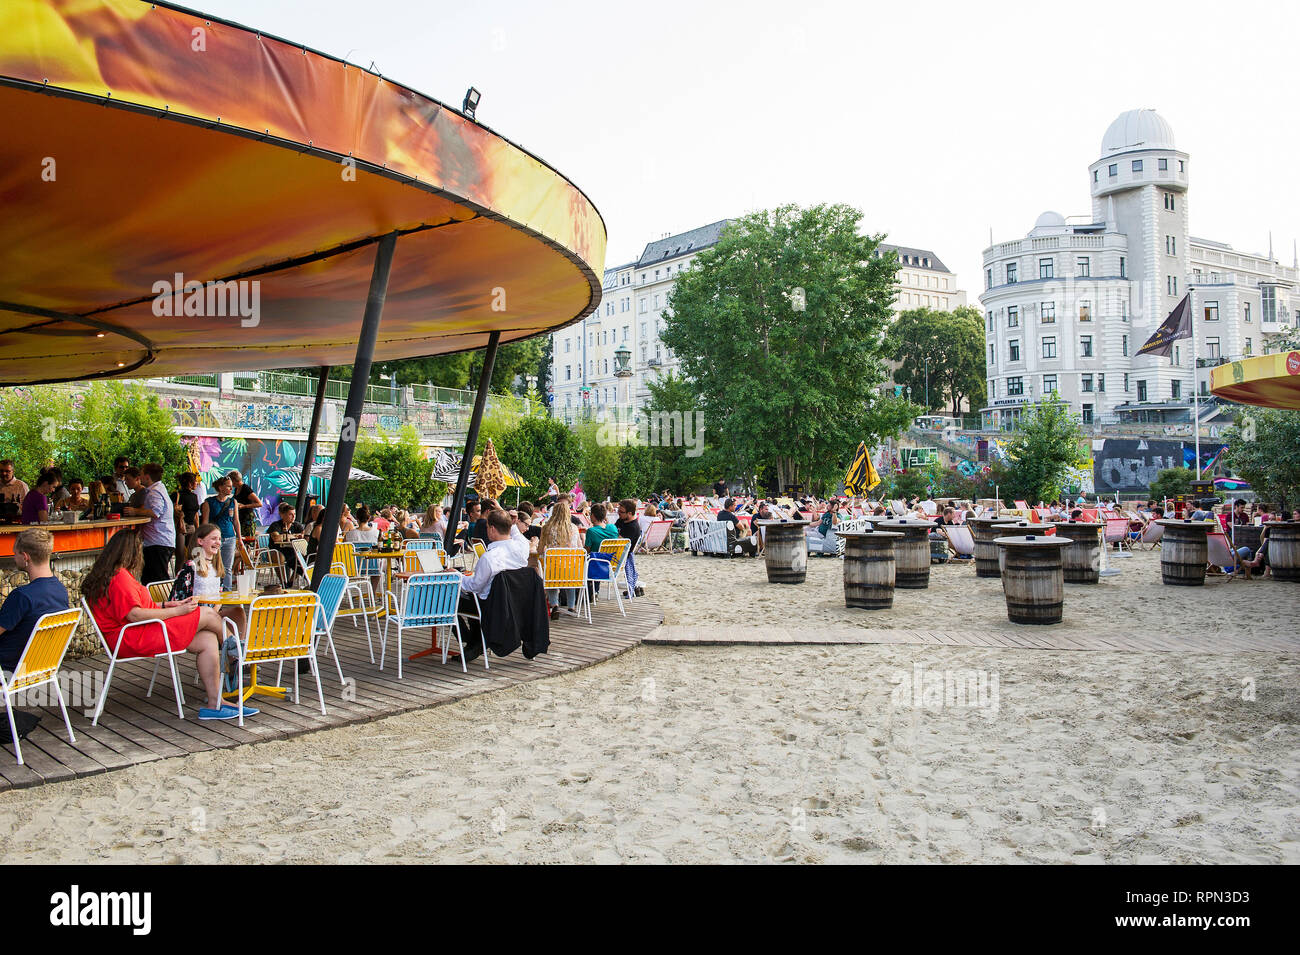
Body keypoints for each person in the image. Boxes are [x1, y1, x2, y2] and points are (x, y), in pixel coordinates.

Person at [85, 530, 251, 720]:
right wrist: (176, 611)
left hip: (140, 631)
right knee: (205, 613)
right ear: (130, 552)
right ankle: (237, 653)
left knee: (207, 639)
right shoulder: (120, 577)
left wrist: (166, 605)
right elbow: (135, 614)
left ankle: (216, 703)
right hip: (134, 636)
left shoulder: (113, 575)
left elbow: (133, 608)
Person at [0, 528, 70, 676]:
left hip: (9, 669)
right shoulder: (60, 590)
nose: (14, 558)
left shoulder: (22, 596)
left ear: (25, 557)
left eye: (15, 553)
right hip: (41, 667)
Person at [121, 464, 176, 586]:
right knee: (151, 578)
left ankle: (162, 604)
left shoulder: (154, 492)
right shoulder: (158, 488)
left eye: (141, 474)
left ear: (146, 477)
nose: (139, 477)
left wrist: (135, 511)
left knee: (157, 580)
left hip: (158, 540)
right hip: (159, 540)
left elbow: (155, 512)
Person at [538, 499, 581, 618]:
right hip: (571, 570)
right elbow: (579, 548)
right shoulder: (573, 528)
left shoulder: (546, 528)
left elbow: (540, 550)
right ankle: (571, 606)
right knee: (569, 575)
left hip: (553, 569)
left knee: (551, 572)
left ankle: (554, 605)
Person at [200, 475, 238, 590]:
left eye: (232, 487)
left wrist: (239, 538)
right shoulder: (209, 502)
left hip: (230, 537)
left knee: (227, 567)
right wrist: (203, 538)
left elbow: (236, 521)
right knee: (213, 565)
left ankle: (227, 591)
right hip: (214, 538)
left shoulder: (233, 502)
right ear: (221, 488)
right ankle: (213, 590)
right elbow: (205, 522)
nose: (231, 489)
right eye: (229, 487)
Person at [268, 502, 304, 584]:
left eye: (294, 514)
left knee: (301, 559)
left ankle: (291, 581)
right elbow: (276, 538)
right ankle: (283, 582)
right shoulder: (276, 525)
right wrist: (292, 536)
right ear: (283, 515)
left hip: (292, 550)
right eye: (290, 514)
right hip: (277, 550)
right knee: (279, 557)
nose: (293, 517)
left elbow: (303, 535)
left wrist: (285, 536)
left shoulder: (297, 525)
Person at [615, 498, 644, 596]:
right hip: (614, 552)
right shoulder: (621, 520)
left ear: (630, 513)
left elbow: (622, 543)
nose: (619, 513)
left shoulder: (633, 527)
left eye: (621, 512)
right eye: (618, 511)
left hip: (620, 557)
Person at [173, 472, 201, 567]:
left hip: (191, 527)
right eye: (195, 481)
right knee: (180, 555)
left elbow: (195, 514)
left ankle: (191, 575)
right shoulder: (177, 495)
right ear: (189, 483)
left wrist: (198, 529)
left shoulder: (194, 496)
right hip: (180, 527)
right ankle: (179, 577)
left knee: (193, 554)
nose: (197, 483)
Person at [227, 471, 261, 541]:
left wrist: (244, 506)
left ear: (234, 480)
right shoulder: (237, 488)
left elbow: (259, 503)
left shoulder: (246, 489)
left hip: (247, 519)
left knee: (247, 540)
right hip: (240, 518)